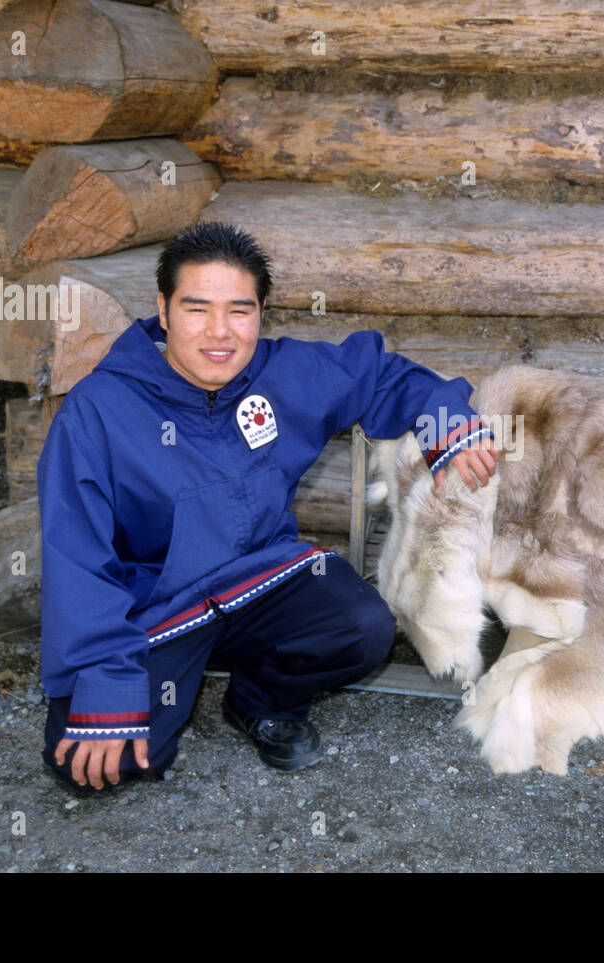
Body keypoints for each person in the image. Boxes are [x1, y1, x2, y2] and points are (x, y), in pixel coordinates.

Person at [37, 221, 500, 789]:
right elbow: (77, 561)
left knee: (360, 624)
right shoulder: (97, 411)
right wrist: (105, 684)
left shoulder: (282, 374)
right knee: (103, 769)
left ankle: (261, 701)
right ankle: (162, 681)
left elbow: (381, 374)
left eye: (240, 310)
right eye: (197, 308)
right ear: (163, 310)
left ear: (260, 313)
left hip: (257, 583)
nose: (220, 332)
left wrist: (448, 423)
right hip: (157, 611)